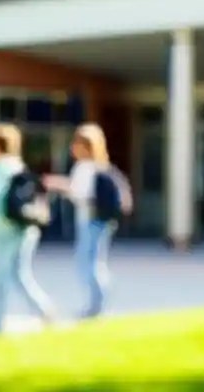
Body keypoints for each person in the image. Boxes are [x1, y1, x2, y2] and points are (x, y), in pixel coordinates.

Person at [44, 123, 132, 319]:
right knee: (96, 260)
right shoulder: (104, 167)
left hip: (89, 219)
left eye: (76, 143)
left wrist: (59, 186)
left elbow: (79, 193)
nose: (73, 147)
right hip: (104, 220)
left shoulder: (84, 167)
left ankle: (98, 304)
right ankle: (99, 301)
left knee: (88, 262)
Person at [0, 123, 57, 335]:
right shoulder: (18, 167)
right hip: (19, 228)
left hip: (6, 229)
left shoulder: (1, 169)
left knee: (0, 277)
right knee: (19, 275)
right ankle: (44, 310)